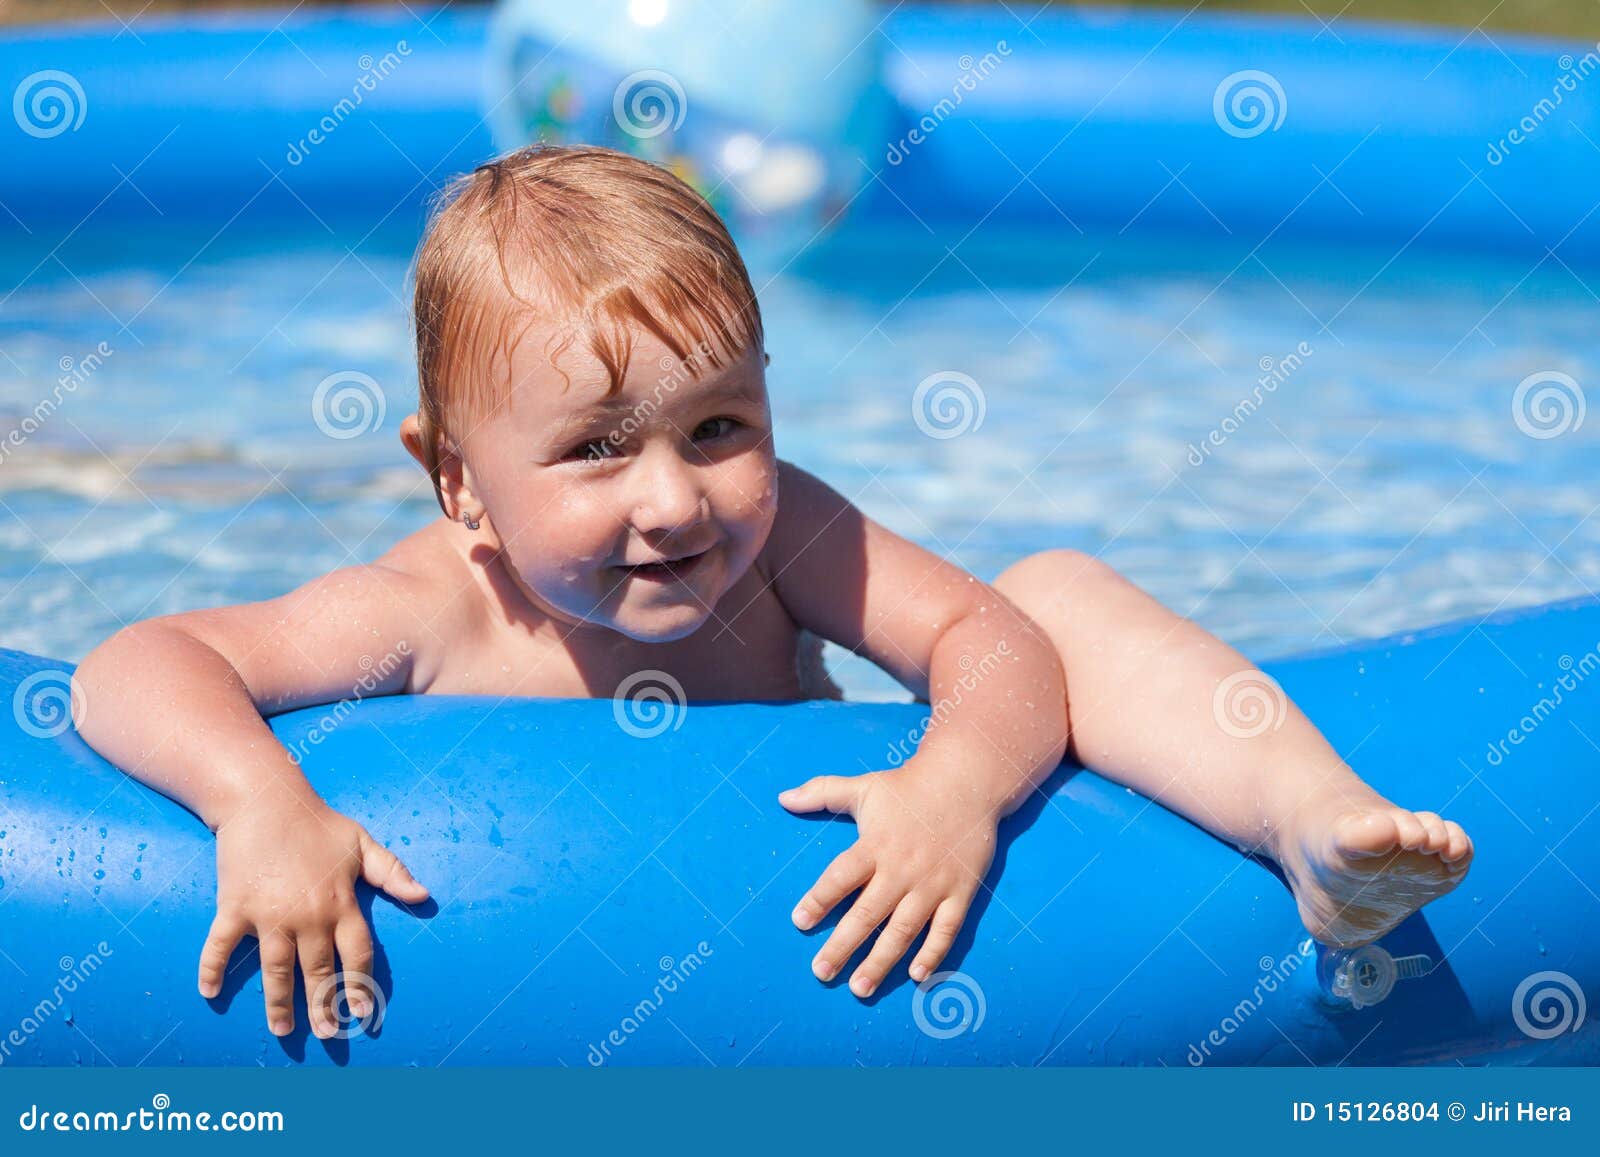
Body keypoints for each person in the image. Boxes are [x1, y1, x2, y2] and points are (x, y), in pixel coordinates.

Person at [71, 144, 1472, 1041]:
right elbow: (140, 661)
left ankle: (1310, 821)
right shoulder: (434, 607)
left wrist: (959, 780)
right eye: (598, 449)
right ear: (459, 485)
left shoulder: (789, 534)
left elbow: (984, 640)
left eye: (719, 427)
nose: (674, 498)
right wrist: (261, 802)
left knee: (1047, 589)